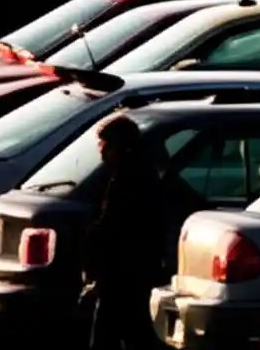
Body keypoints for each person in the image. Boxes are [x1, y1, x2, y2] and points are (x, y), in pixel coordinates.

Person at [82, 113, 165, 350]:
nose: (101, 152)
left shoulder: (129, 181)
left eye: (105, 145)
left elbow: (113, 227)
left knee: (111, 334)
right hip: (131, 272)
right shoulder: (138, 175)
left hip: (123, 274)